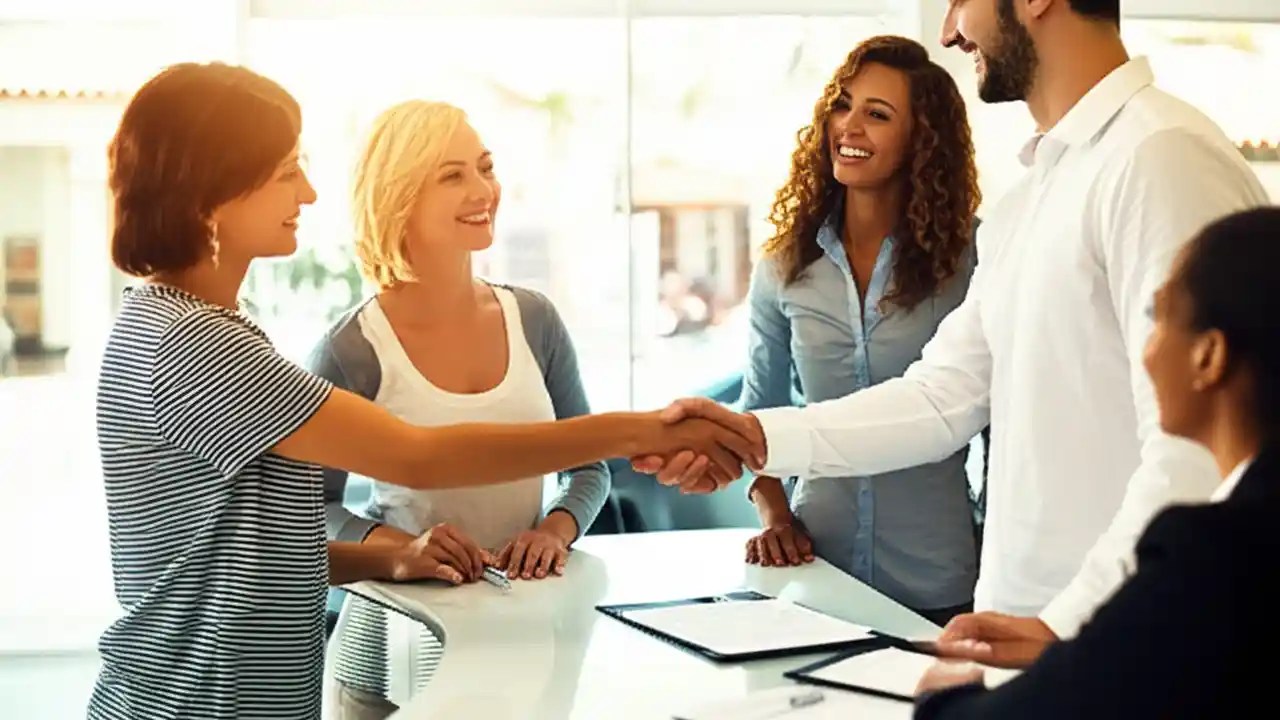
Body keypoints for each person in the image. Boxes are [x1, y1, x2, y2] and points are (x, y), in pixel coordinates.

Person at [89, 63, 758, 720]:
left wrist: (397, 558)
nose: (311, 194)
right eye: (288, 171)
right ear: (214, 192)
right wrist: (643, 430)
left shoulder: (177, 325)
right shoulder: (194, 345)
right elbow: (418, 457)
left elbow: (254, 555)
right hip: (189, 702)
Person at [635, 0, 1268, 652]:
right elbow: (940, 397)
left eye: (961, 0)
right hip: (1026, 642)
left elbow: (1200, 444)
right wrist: (754, 436)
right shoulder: (1033, 198)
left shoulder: (1161, 158)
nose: (948, 30)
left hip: (1112, 646)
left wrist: (1069, 623)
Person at [308, 100, 613, 718]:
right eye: (452, 176)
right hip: (388, 655)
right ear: (398, 197)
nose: (484, 190)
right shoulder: (350, 349)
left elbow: (591, 465)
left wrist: (554, 529)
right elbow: (314, 509)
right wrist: (400, 548)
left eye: (485, 167)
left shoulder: (535, 320)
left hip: (521, 634)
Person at [913, 206, 1280, 719]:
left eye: (1156, 318)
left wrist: (941, 694)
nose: (1144, 352)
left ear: (1209, 356)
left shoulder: (1213, 552)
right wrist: (1070, 652)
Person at [740, 36, 982, 627]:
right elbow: (757, 417)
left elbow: (1005, 431)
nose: (849, 126)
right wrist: (776, 520)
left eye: (877, 114)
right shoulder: (782, 266)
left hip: (941, 580)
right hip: (817, 573)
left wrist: (1004, 557)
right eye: (843, 105)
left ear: (922, 140)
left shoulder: (974, 260)